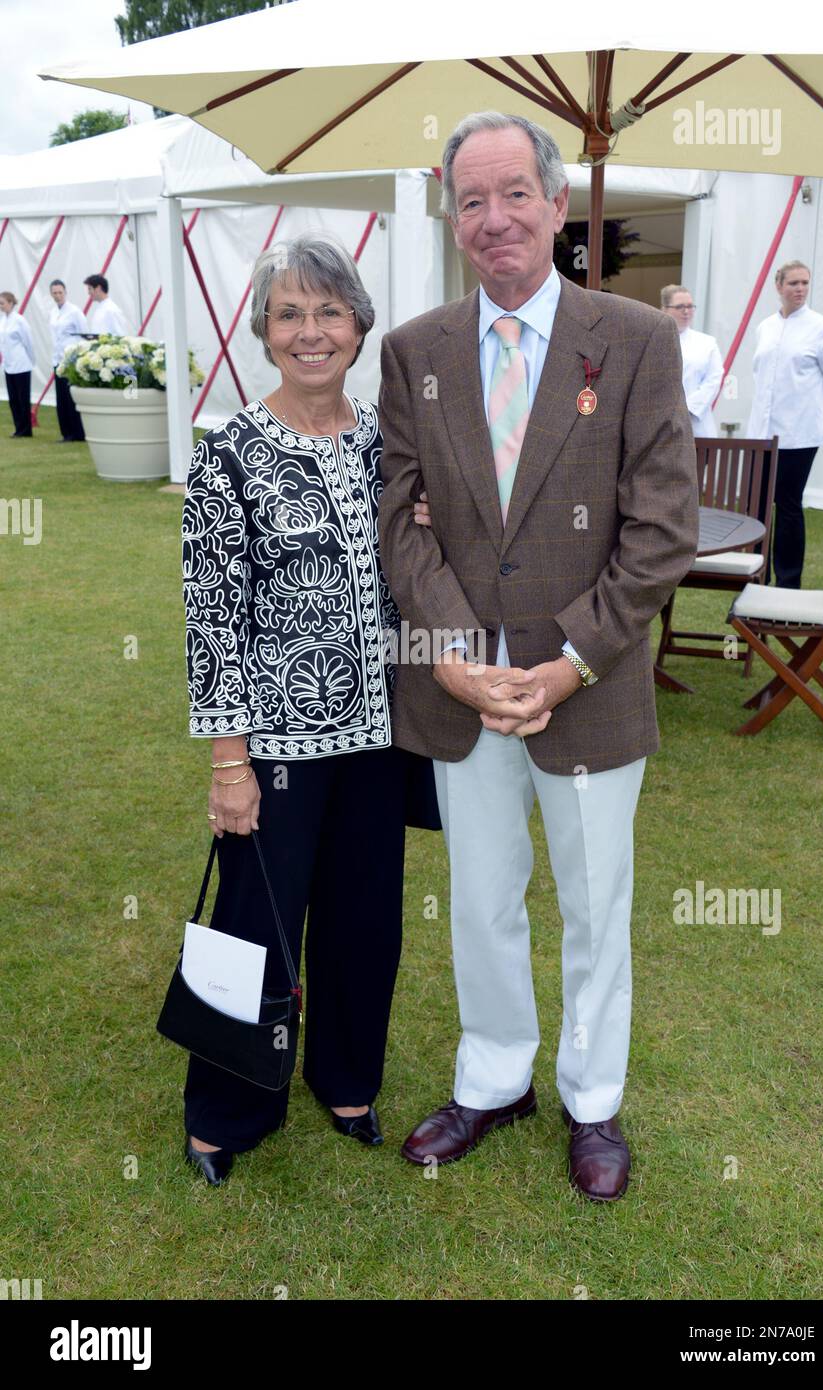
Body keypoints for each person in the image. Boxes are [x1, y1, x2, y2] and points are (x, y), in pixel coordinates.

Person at [378, 111, 698, 1202]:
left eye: (514, 193)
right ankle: (494, 1075)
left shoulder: (638, 342)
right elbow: (395, 527)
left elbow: (661, 531)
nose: (493, 218)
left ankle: (593, 1101)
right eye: (470, 200)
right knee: (482, 897)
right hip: (466, 694)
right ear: (451, 216)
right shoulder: (412, 351)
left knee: (595, 901)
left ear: (558, 206)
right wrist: (462, 660)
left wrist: (568, 660)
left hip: (588, 690)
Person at [181, 234, 417, 1187]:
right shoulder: (229, 455)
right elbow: (212, 622)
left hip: (381, 738)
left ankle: (347, 1080)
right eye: (289, 314)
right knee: (255, 928)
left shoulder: (388, 444)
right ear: (262, 333)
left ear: (358, 325)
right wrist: (229, 765)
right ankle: (229, 1109)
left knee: (366, 919)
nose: (310, 332)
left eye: (328, 312)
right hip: (274, 746)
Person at [747, 260, 823, 588]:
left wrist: (812, 417)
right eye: (793, 283)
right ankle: (757, 575)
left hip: (799, 435)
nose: (800, 289)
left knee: (788, 505)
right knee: (759, 506)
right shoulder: (765, 328)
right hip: (762, 433)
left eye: (805, 282)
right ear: (779, 286)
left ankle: (787, 583)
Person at [661, 283, 723, 437]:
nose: (686, 311)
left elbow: (713, 380)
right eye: (680, 306)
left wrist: (685, 409)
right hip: (663, 424)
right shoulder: (655, 341)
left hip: (697, 425)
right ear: (665, 309)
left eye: (690, 306)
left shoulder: (707, 343)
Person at [48, 280, 86, 443]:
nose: (57, 296)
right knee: (61, 398)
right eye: (54, 293)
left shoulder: (75, 312)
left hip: (70, 360)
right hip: (58, 360)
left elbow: (84, 334)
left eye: (60, 292)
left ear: (65, 292)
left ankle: (77, 433)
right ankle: (66, 432)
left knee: (71, 398)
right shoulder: (53, 312)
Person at [0, 292, 35, 438]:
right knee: (13, 399)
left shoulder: (19, 320)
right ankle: (18, 427)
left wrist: (31, 360)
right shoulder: (2, 320)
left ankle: (26, 430)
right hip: (9, 365)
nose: (0, 306)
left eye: (2, 303)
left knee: (23, 399)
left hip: (21, 364)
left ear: (10, 303)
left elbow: (28, 341)